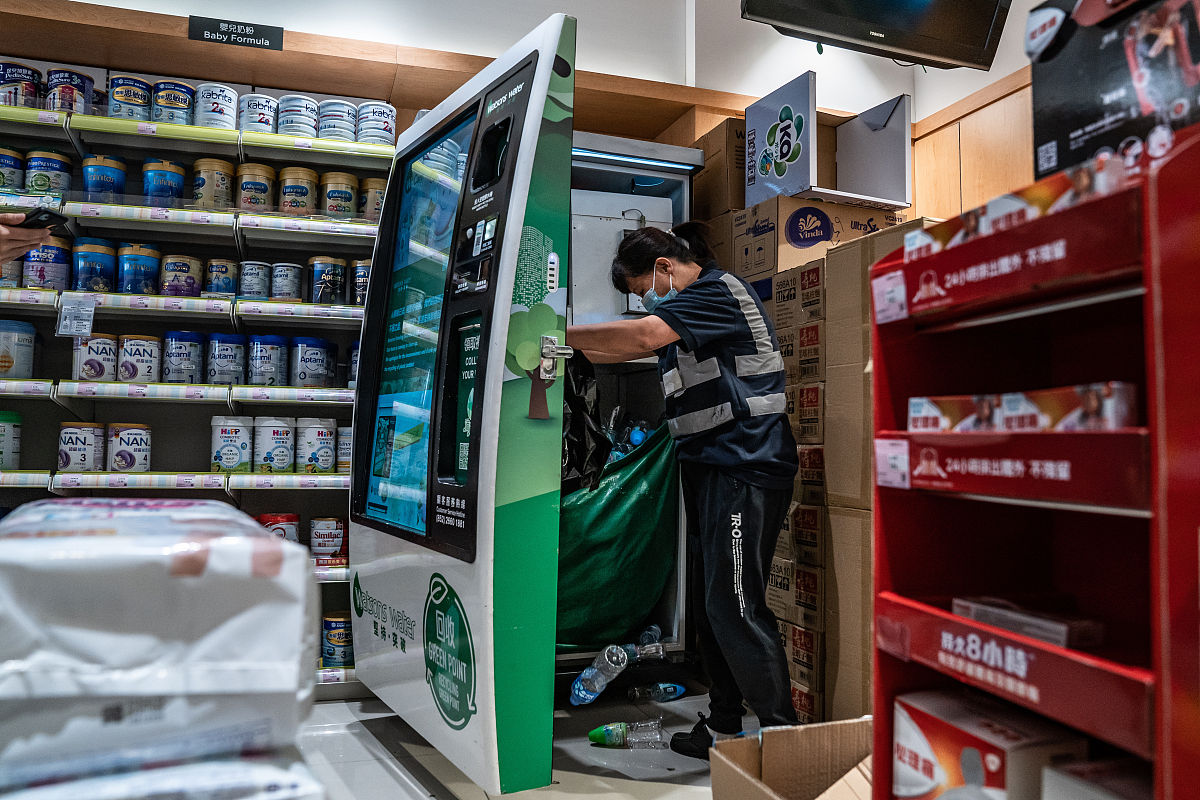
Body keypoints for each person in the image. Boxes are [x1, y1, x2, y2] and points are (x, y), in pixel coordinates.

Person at [565, 222, 799, 760]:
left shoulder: (717, 292)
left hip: (746, 464)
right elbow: (617, 353)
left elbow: (641, 338)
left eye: (643, 288)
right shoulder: (686, 313)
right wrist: (557, 350)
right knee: (713, 607)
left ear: (666, 268)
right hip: (711, 469)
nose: (645, 301)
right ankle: (722, 727)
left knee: (737, 605)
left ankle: (785, 741)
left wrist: (556, 334)